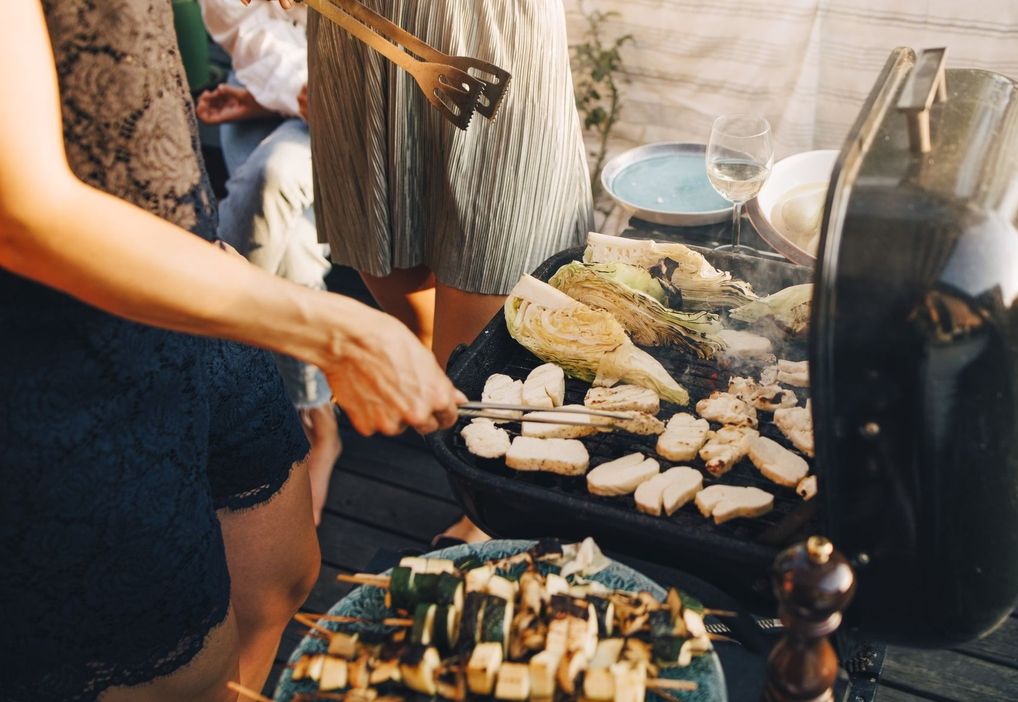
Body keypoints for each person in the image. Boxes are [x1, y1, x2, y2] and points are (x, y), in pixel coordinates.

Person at [0, 1, 460, 700]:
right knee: (185, 676)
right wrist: (336, 330)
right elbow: (23, 213)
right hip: (64, 350)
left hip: (192, 264)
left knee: (277, 580)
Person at [308, 0, 594, 543]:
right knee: (397, 281)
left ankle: (487, 510)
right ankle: (437, 411)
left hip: (490, 34)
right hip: (355, 34)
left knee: (478, 337)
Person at [198, 0, 341, 524]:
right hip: (273, 92)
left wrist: (264, 102)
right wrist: (274, 100)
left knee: (272, 177)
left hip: (354, 112)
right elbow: (252, 39)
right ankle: (316, 424)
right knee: (296, 251)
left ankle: (217, 364)